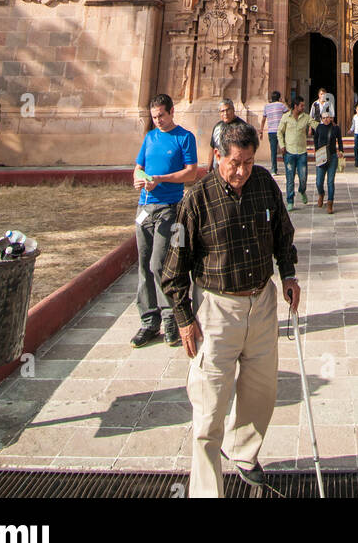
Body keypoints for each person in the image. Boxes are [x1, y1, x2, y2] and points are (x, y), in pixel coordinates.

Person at [160, 120, 300, 499]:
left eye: (249, 162)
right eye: (234, 163)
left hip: (261, 301)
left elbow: (283, 234)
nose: (241, 171)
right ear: (217, 156)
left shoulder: (264, 184)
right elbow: (172, 268)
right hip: (216, 310)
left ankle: (242, 451)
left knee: (262, 389)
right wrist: (185, 319)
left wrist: (288, 274)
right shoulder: (197, 199)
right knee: (209, 404)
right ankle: (207, 491)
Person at [131, 94, 198, 348]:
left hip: (169, 208)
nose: (157, 120)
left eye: (161, 115)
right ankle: (149, 320)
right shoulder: (149, 138)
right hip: (144, 207)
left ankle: (172, 316)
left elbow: (191, 172)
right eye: (154, 116)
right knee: (143, 264)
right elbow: (137, 167)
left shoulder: (184, 137)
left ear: (172, 112)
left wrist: (161, 178)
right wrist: (138, 178)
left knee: (159, 263)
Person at [278, 95, 310, 210]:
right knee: (290, 178)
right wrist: (282, 146)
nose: (303, 107)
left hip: (301, 152)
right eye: (301, 105)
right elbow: (279, 132)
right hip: (289, 152)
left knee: (303, 177)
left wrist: (329, 124)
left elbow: (315, 124)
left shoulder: (306, 117)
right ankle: (290, 200)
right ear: (295, 106)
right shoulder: (286, 117)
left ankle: (302, 190)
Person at [314, 106, 342, 214]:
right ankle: (321, 193)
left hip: (332, 156)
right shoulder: (319, 128)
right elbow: (315, 139)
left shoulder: (335, 128)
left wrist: (341, 151)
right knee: (318, 181)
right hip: (321, 156)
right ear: (321, 118)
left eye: (328, 117)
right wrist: (317, 150)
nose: (326, 119)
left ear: (331, 118)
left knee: (330, 181)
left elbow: (339, 140)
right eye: (324, 117)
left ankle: (330, 203)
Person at [207, 97, 246, 173]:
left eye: (228, 110)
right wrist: (209, 169)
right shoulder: (217, 127)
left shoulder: (242, 127)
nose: (225, 113)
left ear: (233, 110)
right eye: (222, 111)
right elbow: (212, 148)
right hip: (218, 168)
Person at [261, 90, 286, 174]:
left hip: (271, 131)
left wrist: (261, 130)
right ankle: (287, 167)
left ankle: (274, 169)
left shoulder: (266, 107)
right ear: (279, 98)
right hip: (281, 130)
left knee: (273, 151)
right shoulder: (281, 105)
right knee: (284, 149)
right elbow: (289, 114)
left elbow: (263, 119)